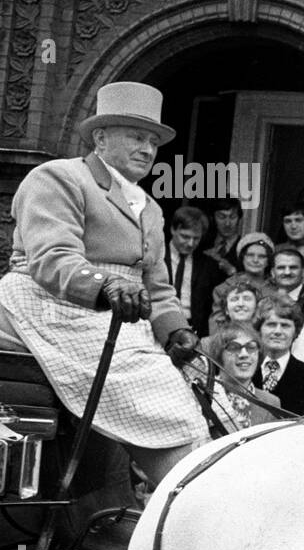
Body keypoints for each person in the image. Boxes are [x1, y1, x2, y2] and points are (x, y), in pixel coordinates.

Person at [0, 82, 206, 485]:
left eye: (153, 142)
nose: (147, 149)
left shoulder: (150, 208)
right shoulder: (58, 177)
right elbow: (52, 258)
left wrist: (174, 330)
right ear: (100, 138)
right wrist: (105, 284)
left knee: (198, 387)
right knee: (156, 390)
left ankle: (179, 484)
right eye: (136, 137)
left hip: (118, 314)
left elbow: (158, 288)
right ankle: (184, 488)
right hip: (54, 303)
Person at [251, 297, 304, 415]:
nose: (278, 331)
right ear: (259, 330)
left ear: (295, 331)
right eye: (271, 324)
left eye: (285, 325)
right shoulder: (245, 370)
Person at [204, 321, 282, 432]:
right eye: (234, 348)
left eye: (251, 347)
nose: (244, 354)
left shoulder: (271, 402)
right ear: (218, 354)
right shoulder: (204, 396)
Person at [164, 205, 221, 336]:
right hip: (159, 327)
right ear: (173, 229)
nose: (190, 243)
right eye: (185, 236)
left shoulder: (208, 265)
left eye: (196, 238)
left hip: (194, 331)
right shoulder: (156, 258)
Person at [208, 232, 275, 331]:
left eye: (261, 256)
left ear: (268, 261)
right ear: (242, 257)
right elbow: (217, 327)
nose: (255, 260)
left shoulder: (276, 289)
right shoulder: (223, 289)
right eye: (250, 255)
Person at [268, 247, 304, 323]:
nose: (287, 272)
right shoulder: (264, 300)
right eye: (281, 268)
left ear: (303, 271)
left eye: (293, 268)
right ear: (272, 272)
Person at [203, 196, 244, 278]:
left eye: (232, 217)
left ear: (239, 219)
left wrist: (233, 272)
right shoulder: (202, 245)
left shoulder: (245, 249)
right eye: (221, 217)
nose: (227, 223)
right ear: (212, 218)